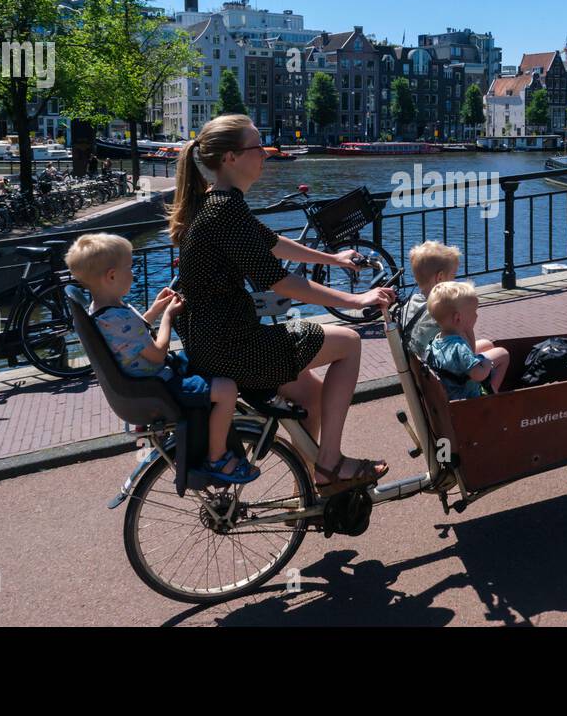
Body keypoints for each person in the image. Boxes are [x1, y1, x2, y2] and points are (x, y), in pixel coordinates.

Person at [168, 114, 396, 497]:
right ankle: (330, 464)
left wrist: (334, 259)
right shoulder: (225, 211)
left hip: (214, 342)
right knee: (349, 343)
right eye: (258, 147)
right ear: (230, 158)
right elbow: (280, 281)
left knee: (310, 395)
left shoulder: (218, 204)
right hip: (234, 346)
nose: (266, 154)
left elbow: (271, 241)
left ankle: (306, 486)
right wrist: (356, 300)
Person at [65, 233, 258, 484]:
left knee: (206, 356)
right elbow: (156, 354)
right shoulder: (118, 318)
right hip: (160, 383)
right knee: (227, 389)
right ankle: (217, 457)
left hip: (151, 379)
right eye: (129, 268)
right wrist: (167, 316)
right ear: (111, 276)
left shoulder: (104, 311)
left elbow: (133, 336)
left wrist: (156, 309)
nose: (133, 274)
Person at [402, 241, 494, 360]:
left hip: (424, 363)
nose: (454, 281)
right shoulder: (443, 311)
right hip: (445, 370)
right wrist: (468, 328)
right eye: (453, 276)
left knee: (487, 344)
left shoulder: (410, 303)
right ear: (440, 278)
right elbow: (468, 353)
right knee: (501, 354)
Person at [423, 281, 509, 401]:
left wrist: (468, 330)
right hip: (466, 400)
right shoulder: (459, 347)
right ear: (458, 318)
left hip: (449, 393)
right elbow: (478, 375)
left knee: (488, 346)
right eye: (473, 312)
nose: (476, 316)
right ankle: (491, 399)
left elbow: (469, 356)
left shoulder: (436, 341)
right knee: (503, 354)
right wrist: (487, 364)